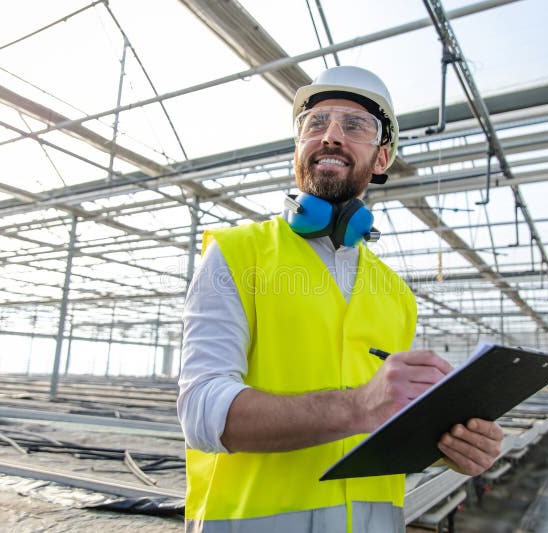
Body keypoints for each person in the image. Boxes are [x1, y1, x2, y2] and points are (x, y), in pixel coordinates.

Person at [177, 65, 504, 533]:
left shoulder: (397, 294)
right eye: (316, 123)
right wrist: (358, 407)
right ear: (299, 147)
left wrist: (452, 444)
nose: (331, 135)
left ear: (382, 158)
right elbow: (201, 413)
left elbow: (390, 421)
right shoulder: (236, 253)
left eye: (354, 126)